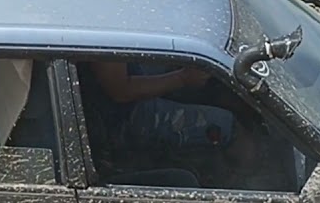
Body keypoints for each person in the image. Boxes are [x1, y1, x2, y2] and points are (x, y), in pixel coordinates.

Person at [89, 62, 255, 165]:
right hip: (123, 116)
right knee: (229, 127)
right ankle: (254, 187)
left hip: (129, 72)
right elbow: (120, 91)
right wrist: (182, 78)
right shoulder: (95, 27)